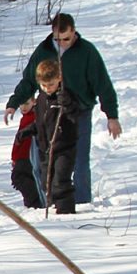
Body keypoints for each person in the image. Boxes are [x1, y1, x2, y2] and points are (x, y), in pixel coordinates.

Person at [3, 11, 121, 205]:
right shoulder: (44, 50)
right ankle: (48, 204)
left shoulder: (86, 51)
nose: (62, 43)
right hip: (48, 112)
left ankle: (82, 203)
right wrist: (13, 104)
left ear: (74, 32)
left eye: (66, 38)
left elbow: (103, 85)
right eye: (58, 39)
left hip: (78, 113)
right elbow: (29, 80)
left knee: (79, 161)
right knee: (44, 163)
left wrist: (112, 116)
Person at [19, 58, 89, 214]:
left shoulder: (66, 96)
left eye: (51, 84)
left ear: (59, 79)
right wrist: (28, 130)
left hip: (65, 147)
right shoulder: (41, 99)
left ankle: (66, 212)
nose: (48, 88)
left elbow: (74, 115)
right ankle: (54, 208)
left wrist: (67, 104)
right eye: (44, 85)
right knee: (46, 183)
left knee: (60, 182)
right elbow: (41, 123)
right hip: (46, 149)